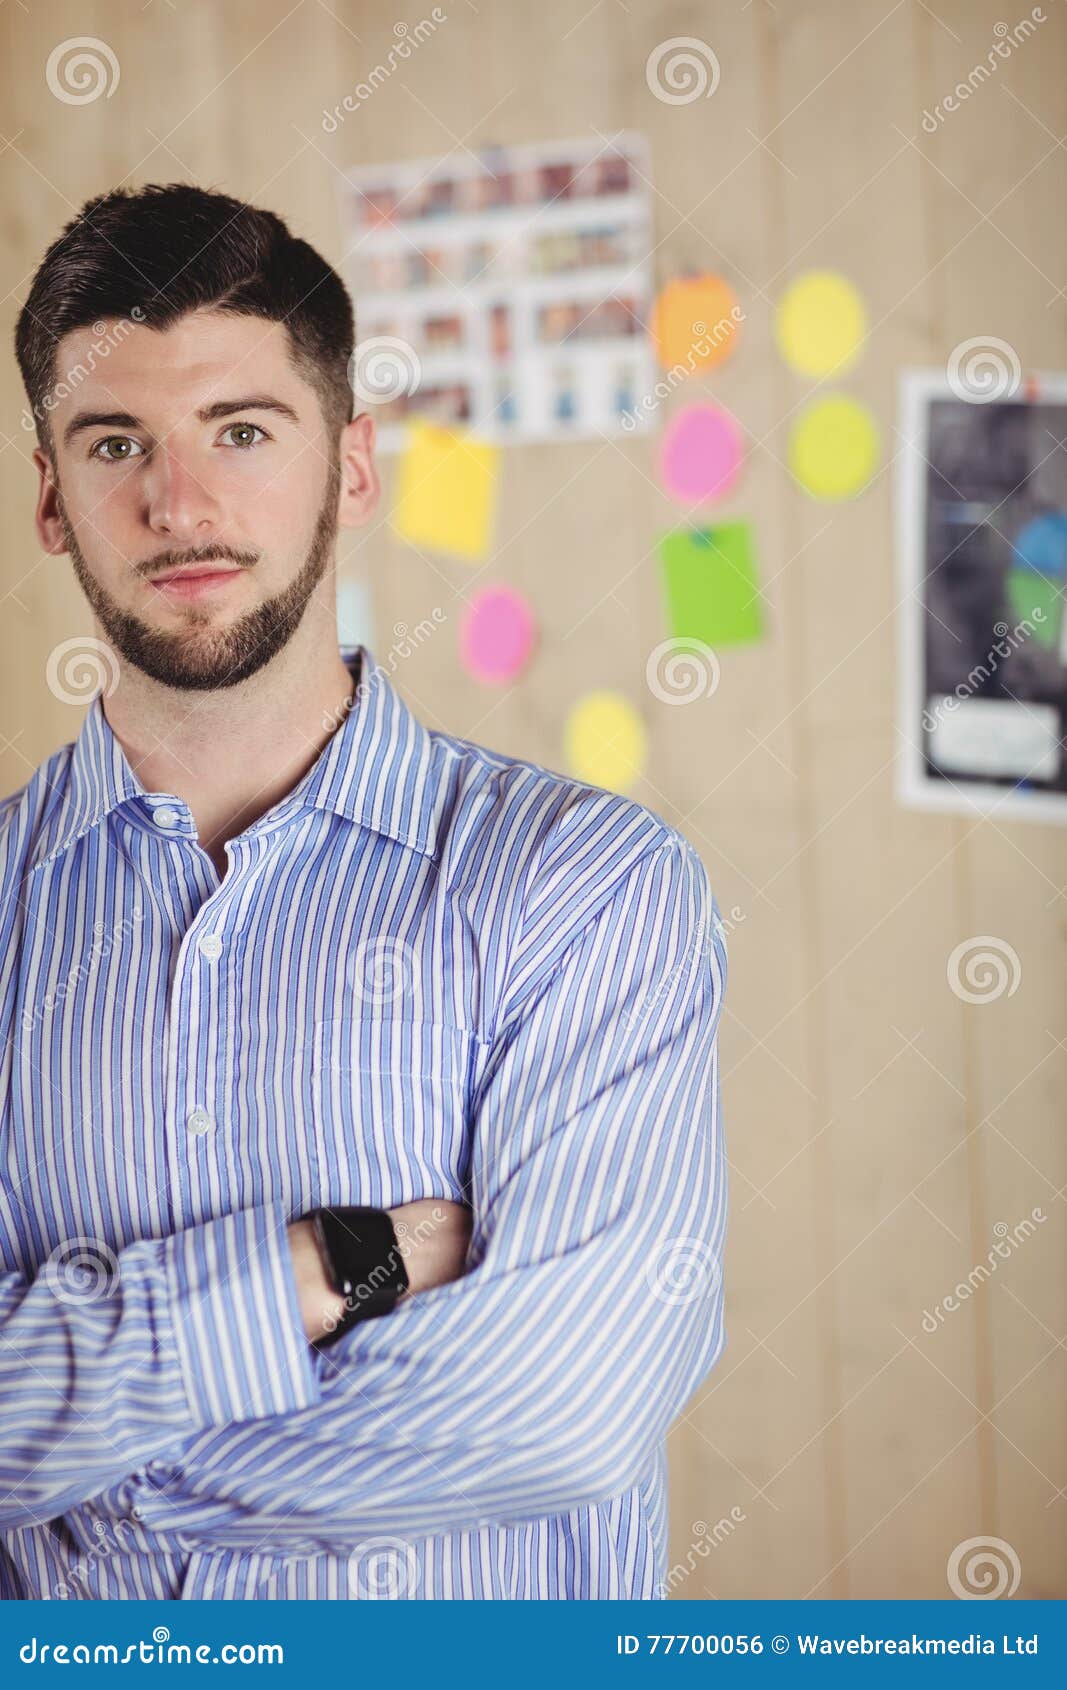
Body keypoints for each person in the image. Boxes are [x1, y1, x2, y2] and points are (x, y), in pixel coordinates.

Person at [0, 184, 728, 1601]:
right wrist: (308, 1276)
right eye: (113, 442)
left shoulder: (585, 887)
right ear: (48, 493)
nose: (180, 501)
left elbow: (561, 1404)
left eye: (242, 431)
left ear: (352, 465)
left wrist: (109, 1480)